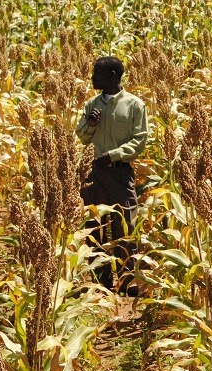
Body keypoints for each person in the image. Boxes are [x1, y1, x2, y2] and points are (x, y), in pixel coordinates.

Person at [76, 56, 148, 292]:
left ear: (112, 76)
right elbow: (82, 137)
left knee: (125, 226)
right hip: (94, 173)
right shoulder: (91, 104)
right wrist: (91, 124)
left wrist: (113, 155)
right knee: (94, 228)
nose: (92, 77)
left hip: (120, 173)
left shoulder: (135, 105)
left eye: (96, 73)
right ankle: (101, 281)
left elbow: (139, 141)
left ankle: (128, 282)